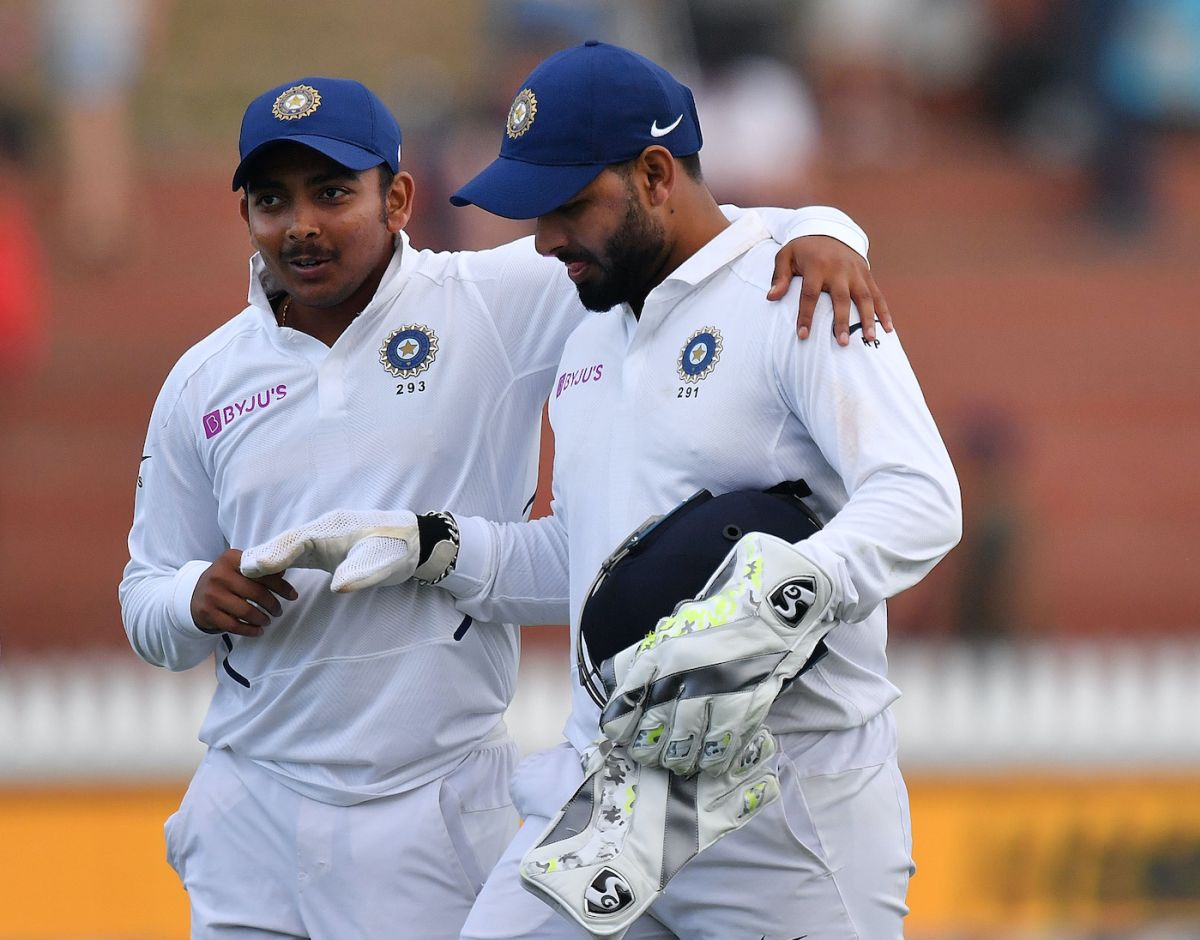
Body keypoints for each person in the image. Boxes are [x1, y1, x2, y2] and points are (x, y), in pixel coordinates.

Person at [119, 71, 891, 939]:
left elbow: (683, 234)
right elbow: (143, 595)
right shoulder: (203, 380)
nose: (300, 224)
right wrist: (190, 600)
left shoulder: (492, 300)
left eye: (333, 193)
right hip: (248, 805)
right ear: (246, 216)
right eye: (271, 200)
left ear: (399, 197)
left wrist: (828, 227)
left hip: (430, 803)